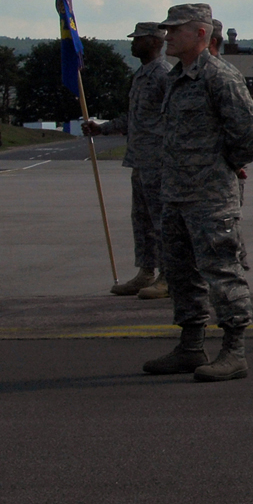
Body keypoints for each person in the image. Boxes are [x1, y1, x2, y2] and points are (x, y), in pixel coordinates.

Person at [139, 3, 253, 382]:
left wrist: (223, 165)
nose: (167, 36)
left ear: (200, 34)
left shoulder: (220, 77)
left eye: (175, 30)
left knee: (222, 273)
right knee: (180, 275)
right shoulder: (177, 77)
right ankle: (191, 346)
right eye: (167, 30)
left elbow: (248, 132)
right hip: (176, 193)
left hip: (210, 195)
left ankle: (233, 351)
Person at [89, 21, 172, 299]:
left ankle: (168, 275)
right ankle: (146, 271)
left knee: (162, 220)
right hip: (139, 159)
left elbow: (174, 116)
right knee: (142, 219)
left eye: (139, 39)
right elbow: (133, 117)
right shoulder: (140, 75)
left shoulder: (164, 75)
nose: (133, 44)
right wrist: (102, 128)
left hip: (158, 159)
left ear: (155, 41)